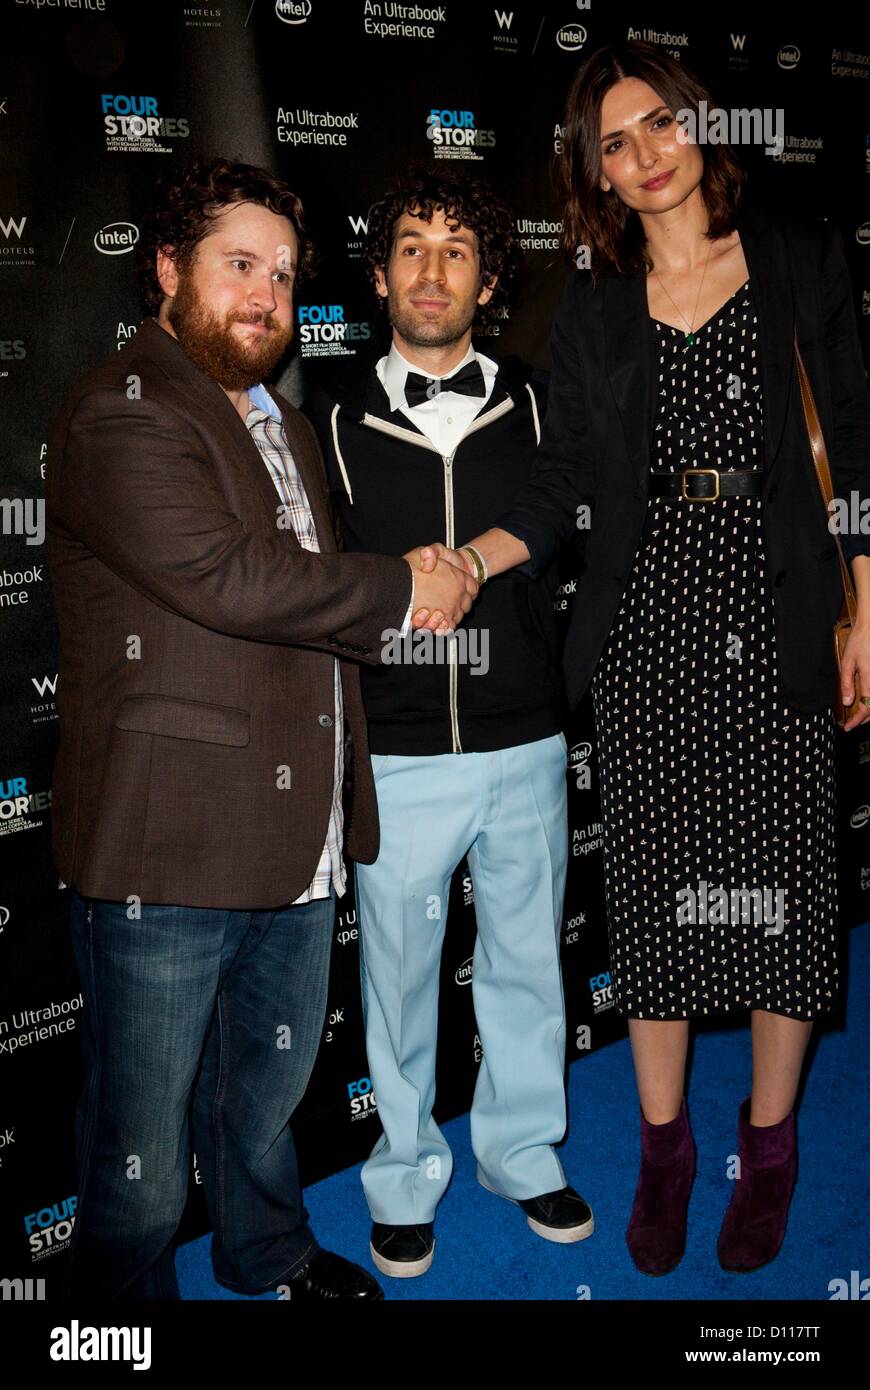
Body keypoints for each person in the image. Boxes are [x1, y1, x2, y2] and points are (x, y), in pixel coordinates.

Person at [412, 42, 870, 1276]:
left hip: (777, 606)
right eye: (614, 143)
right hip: (650, 622)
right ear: (597, 176)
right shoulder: (598, 306)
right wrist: (473, 558)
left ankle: (767, 1146)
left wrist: (866, 607)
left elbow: (857, 452)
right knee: (662, 903)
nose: (643, 155)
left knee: (785, 898)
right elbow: (565, 487)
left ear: (700, 126)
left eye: (658, 125)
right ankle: (664, 1147)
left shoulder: (794, 257)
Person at [45, 156, 476, 1301]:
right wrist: (404, 587)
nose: (266, 296)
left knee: (265, 1098)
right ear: (169, 269)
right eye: (240, 265)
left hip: (297, 835)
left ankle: (268, 1251)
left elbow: (299, 607)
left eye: (284, 275)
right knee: (137, 1169)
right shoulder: (118, 410)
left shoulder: (280, 420)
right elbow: (230, 579)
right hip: (167, 853)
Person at [305, 166, 593, 1279]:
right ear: (379, 279)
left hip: (522, 736)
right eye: (412, 248)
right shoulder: (324, 414)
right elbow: (307, 567)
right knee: (399, 978)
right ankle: (404, 1170)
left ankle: (524, 1153)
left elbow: (566, 508)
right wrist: (401, 578)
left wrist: (472, 562)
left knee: (527, 964)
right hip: (399, 747)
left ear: (488, 282)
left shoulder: (535, 398)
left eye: (458, 250)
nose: (433, 269)